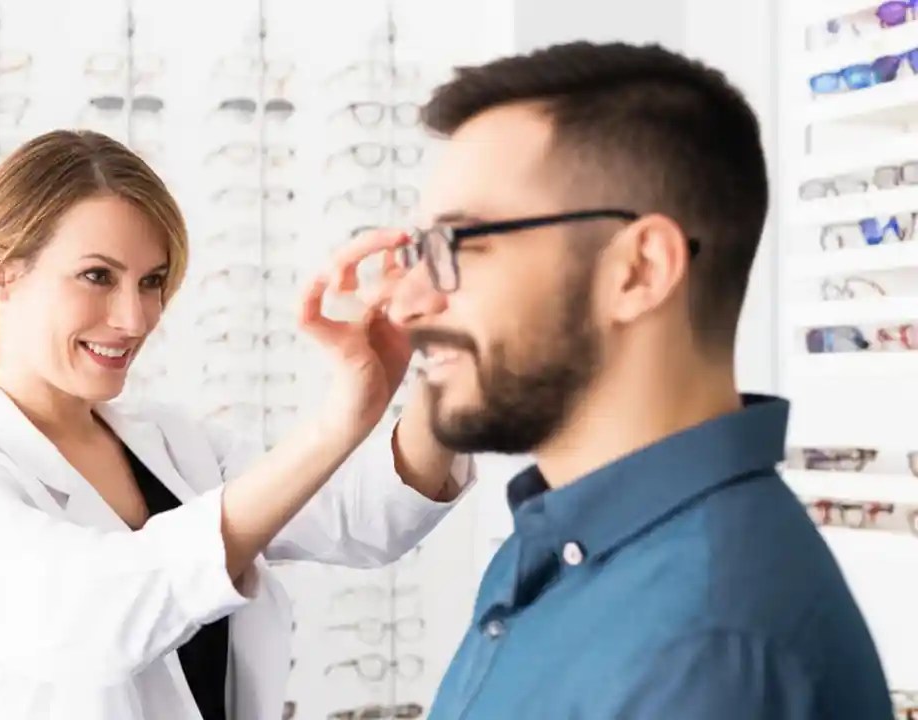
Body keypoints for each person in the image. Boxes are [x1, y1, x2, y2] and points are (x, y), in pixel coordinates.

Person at [327, 41, 892, 718]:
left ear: (639, 271)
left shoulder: (706, 654)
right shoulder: (562, 546)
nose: (405, 301)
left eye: (459, 246)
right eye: (419, 251)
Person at [0, 130, 474, 720]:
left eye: (152, 281)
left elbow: (366, 517)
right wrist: (338, 421)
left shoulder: (174, 443)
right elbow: (103, 616)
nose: (134, 317)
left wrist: (443, 351)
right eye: (98, 276)